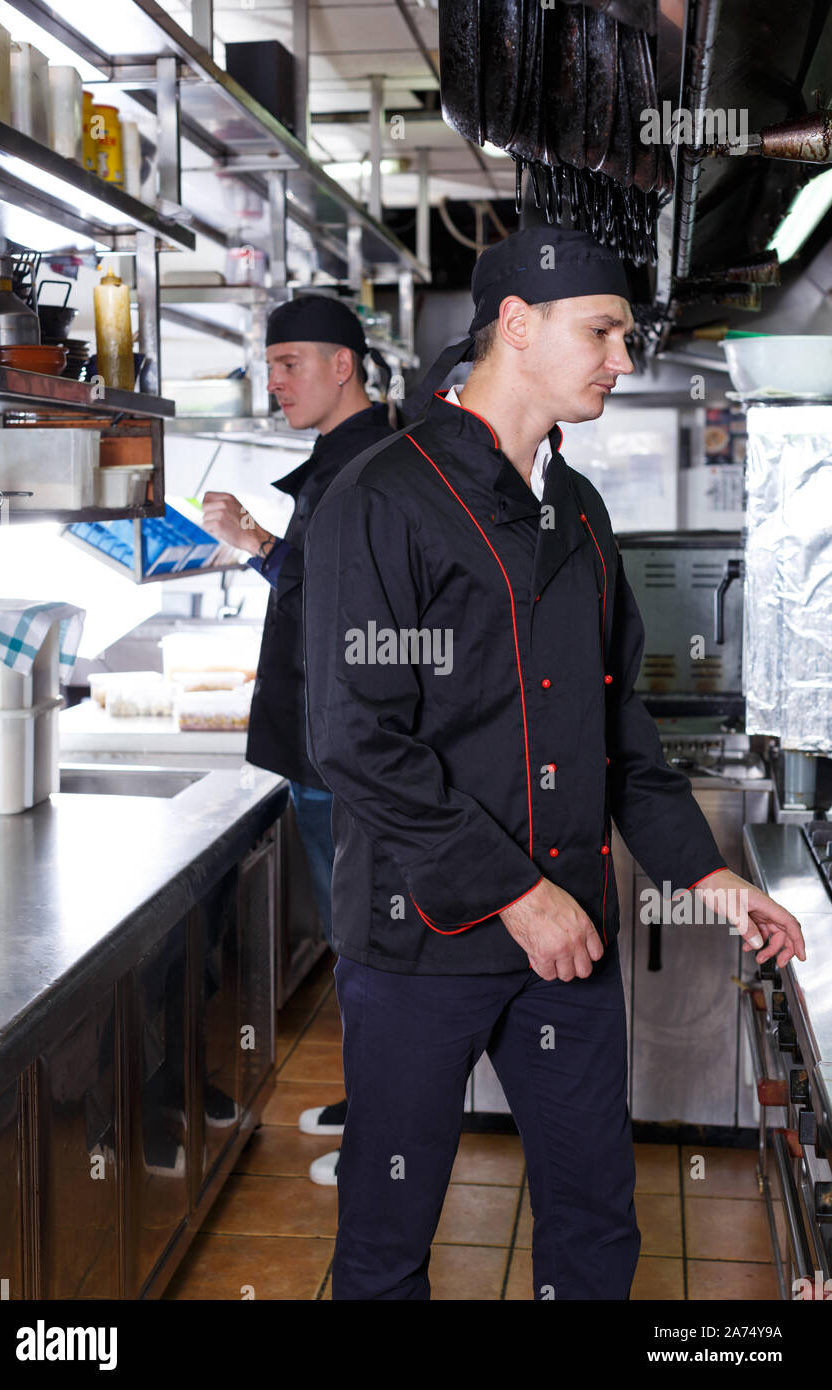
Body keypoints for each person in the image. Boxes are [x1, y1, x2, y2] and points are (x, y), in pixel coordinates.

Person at [302, 224, 806, 1299]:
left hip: (564, 946)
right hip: (418, 948)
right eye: (603, 330)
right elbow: (353, 738)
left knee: (592, 1226)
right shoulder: (380, 499)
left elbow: (620, 739)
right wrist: (514, 894)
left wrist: (704, 877)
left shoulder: (576, 510)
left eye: (623, 333)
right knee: (386, 1243)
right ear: (516, 327)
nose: (622, 358)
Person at [201, 295, 395, 1186]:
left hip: (346, 751)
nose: (272, 381)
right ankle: (370, 1102)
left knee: (368, 946)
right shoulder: (342, 462)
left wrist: (257, 546)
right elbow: (322, 584)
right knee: (356, 939)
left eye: (288, 364)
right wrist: (252, 542)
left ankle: (383, 1138)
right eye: (268, 364)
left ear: (342, 365)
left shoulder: (374, 465)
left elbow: (352, 610)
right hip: (328, 748)